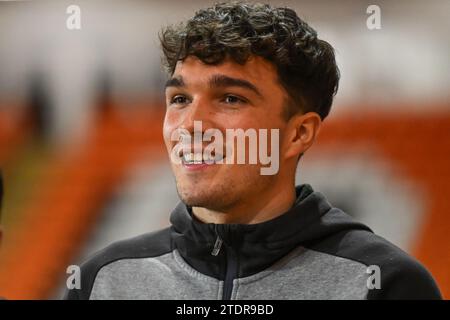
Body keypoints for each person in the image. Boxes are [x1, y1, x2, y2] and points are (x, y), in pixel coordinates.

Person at [64, 2, 441, 300]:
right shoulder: (102, 281)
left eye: (229, 98)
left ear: (299, 134)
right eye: (179, 98)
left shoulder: (387, 284)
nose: (190, 125)